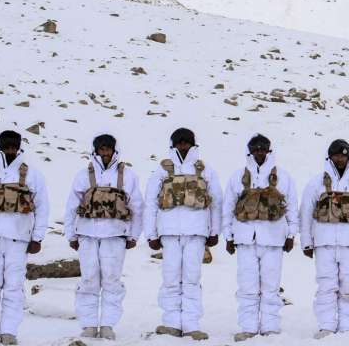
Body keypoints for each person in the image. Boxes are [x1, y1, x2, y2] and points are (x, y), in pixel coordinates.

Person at [0, 130, 50, 346]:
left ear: (19, 147)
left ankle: (9, 332)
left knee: (14, 287)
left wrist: (37, 237)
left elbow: (42, 207)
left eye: (14, 146)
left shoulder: (32, 175)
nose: (10, 150)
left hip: (19, 240)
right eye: (7, 146)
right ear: (0, 147)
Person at [144, 127, 223, 340]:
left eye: (186, 141)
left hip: (197, 233)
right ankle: (170, 322)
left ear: (192, 143)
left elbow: (216, 201)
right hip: (169, 233)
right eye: (178, 141)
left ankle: (191, 324)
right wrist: (151, 234)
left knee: (192, 277)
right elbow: (150, 203)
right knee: (170, 277)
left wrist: (215, 231)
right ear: (173, 144)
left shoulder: (205, 169)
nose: (182, 145)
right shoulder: (162, 170)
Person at [64, 134, 143, 339]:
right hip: (87, 235)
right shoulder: (83, 174)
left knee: (111, 280)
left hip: (115, 236)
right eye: (101, 149)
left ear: (114, 150)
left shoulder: (128, 175)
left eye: (108, 148)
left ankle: (108, 324)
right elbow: (72, 205)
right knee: (89, 279)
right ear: (96, 150)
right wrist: (71, 234)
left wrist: (133, 235)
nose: (105, 152)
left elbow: (137, 206)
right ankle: (88, 324)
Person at [221, 134, 298, 341]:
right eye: (255, 148)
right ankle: (248, 327)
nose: (259, 151)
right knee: (247, 286)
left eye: (263, 147)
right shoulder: (238, 176)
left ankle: (270, 327)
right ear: (250, 151)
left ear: (269, 150)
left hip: (273, 240)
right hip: (245, 240)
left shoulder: (283, 177)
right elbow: (228, 207)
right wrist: (228, 236)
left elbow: (291, 208)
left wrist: (291, 234)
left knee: (271, 286)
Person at [299, 138, 349, 339]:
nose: (340, 159)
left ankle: (348, 326)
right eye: (336, 155)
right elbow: (306, 213)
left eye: (343, 155)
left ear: (348, 156)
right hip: (324, 243)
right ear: (330, 157)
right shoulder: (316, 182)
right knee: (326, 285)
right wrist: (306, 242)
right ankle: (326, 326)